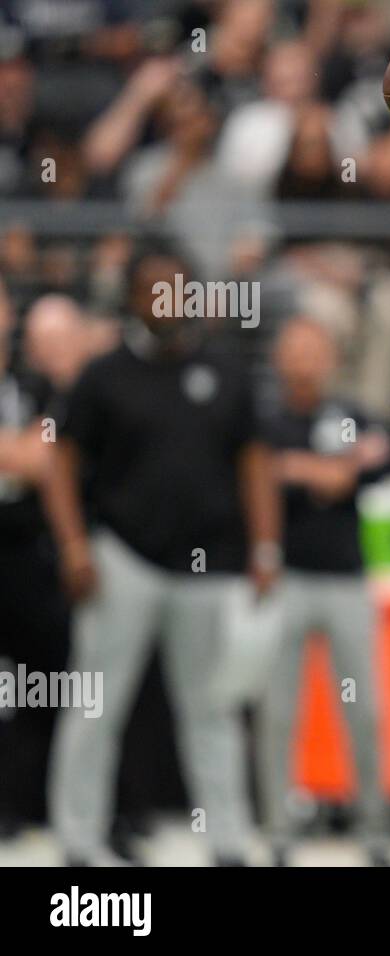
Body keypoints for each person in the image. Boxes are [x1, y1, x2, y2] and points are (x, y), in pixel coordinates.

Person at [43, 246, 281, 866]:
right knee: (95, 705)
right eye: (152, 288)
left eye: (177, 287)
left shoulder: (226, 375)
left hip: (209, 568)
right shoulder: (102, 377)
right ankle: (79, 839)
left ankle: (227, 840)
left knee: (213, 711)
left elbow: (255, 463)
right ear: (129, 298)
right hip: (121, 558)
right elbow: (60, 462)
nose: (165, 299)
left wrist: (265, 547)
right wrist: (73, 546)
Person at [257, 316, 390, 867]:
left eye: (314, 349)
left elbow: (377, 457)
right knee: (277, 710)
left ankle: (375, 826)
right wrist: (321, 470)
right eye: (295, 350)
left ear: (331, 357)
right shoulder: (266, 420)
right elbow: (262, 472)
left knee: (364, 708)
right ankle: (278, 827)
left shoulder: (347, 414)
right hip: (282, 579)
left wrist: (306, 470)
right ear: (277, 358)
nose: (305, 361)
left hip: (345, 579)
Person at [0, 280, 67, 837]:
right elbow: (22, 454)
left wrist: (21, 452)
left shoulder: (35, 386)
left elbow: (42, 461)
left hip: (24, 552)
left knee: (39, 681)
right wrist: (15, 449)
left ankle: (27, 803)